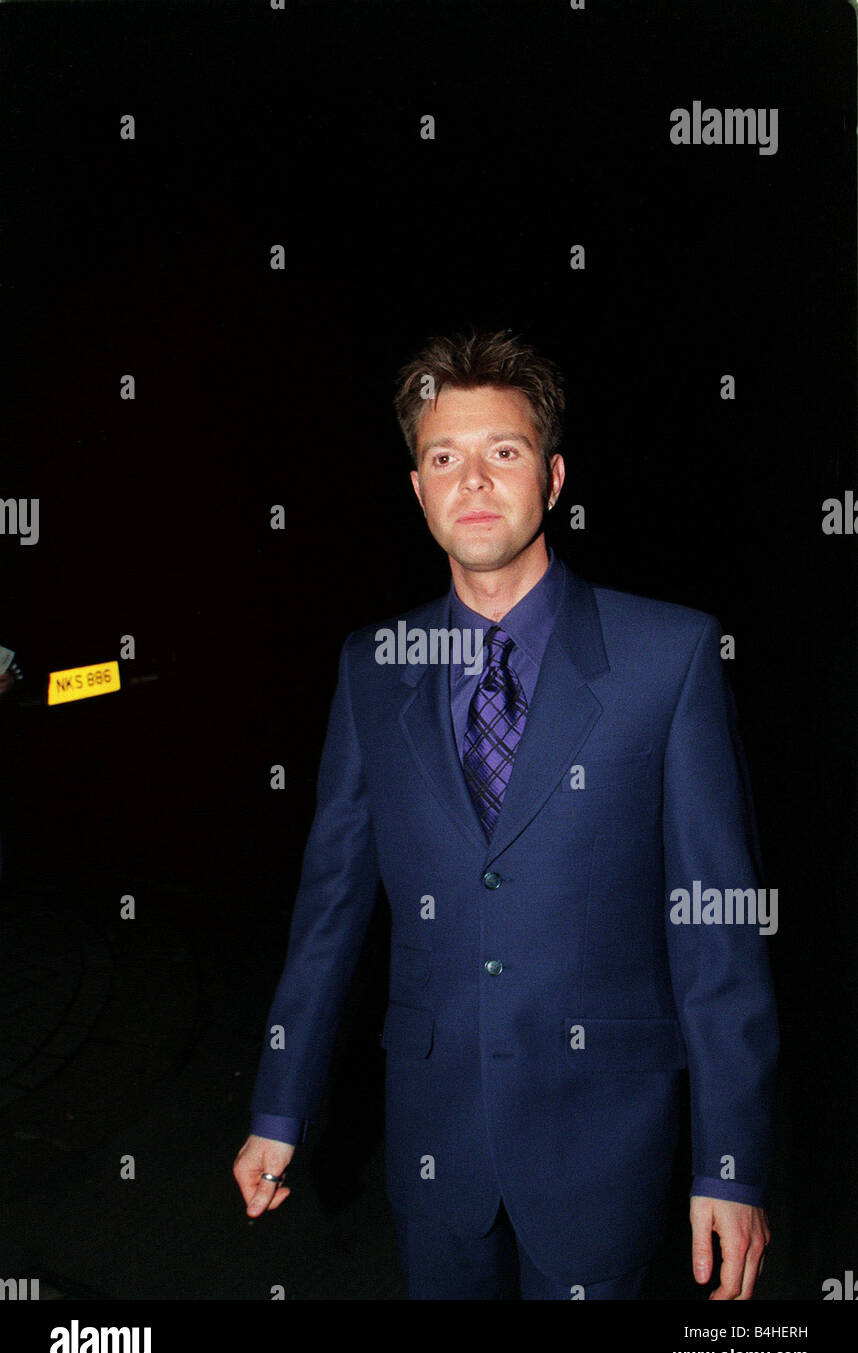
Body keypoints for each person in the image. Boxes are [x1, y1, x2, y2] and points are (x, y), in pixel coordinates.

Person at [233, 328, 778, 1300]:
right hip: (435, 1141)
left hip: (605, 1139)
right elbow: (331, 909)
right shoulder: (373, 664)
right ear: (416, 489)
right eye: (444, 456)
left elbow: (718, 928)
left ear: (555, 476)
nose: (473, 480)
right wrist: (281, 1104)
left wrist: (727, 1161)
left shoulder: (671, 655)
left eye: (505, 452)